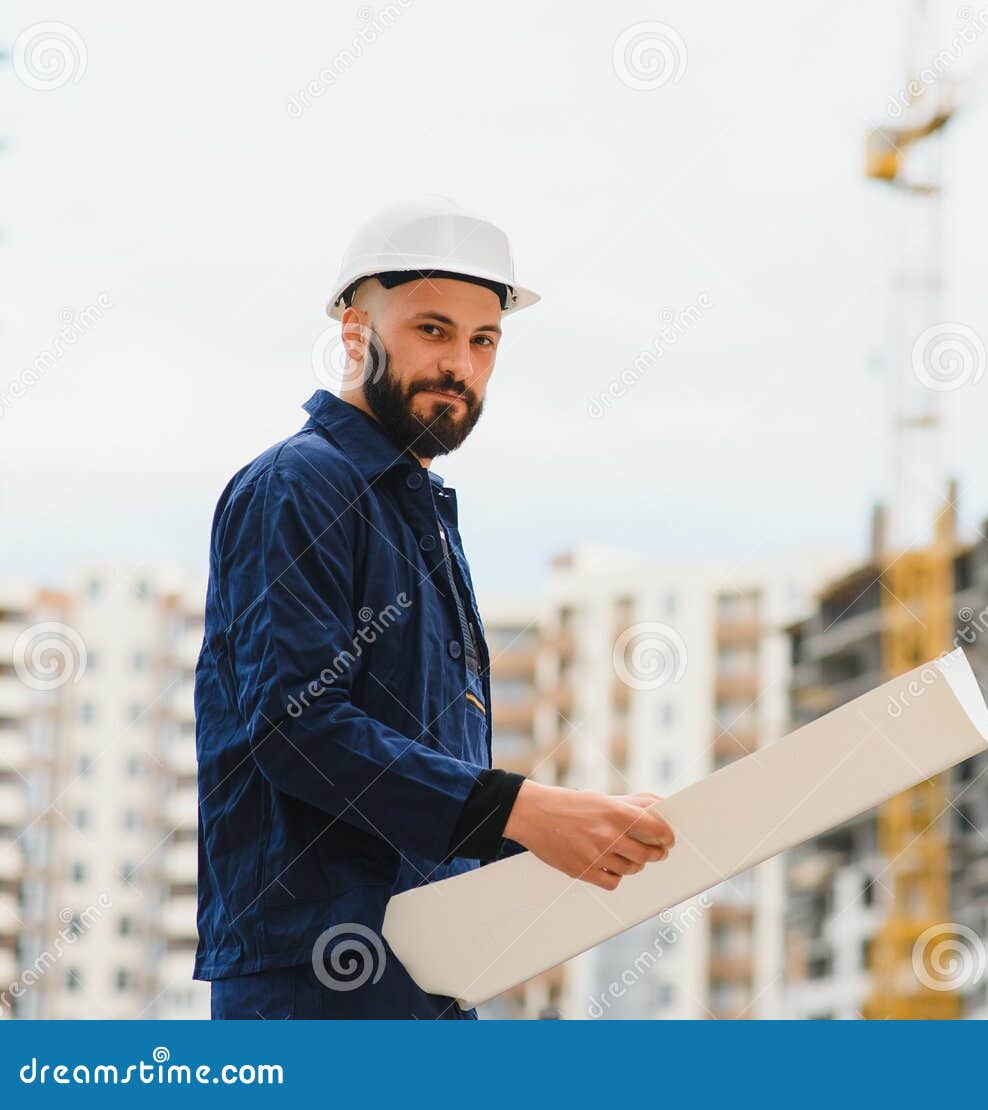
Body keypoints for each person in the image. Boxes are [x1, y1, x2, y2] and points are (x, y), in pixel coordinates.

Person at [193, 200, 675, 1019]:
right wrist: (526, 811)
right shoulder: (299, 487)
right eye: (432, 330)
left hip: (435, 974)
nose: (461, 364)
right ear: (355, 334)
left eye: (484, 340)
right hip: (318, 981)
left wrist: (561, 838)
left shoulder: (418, 518)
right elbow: (297, 729)